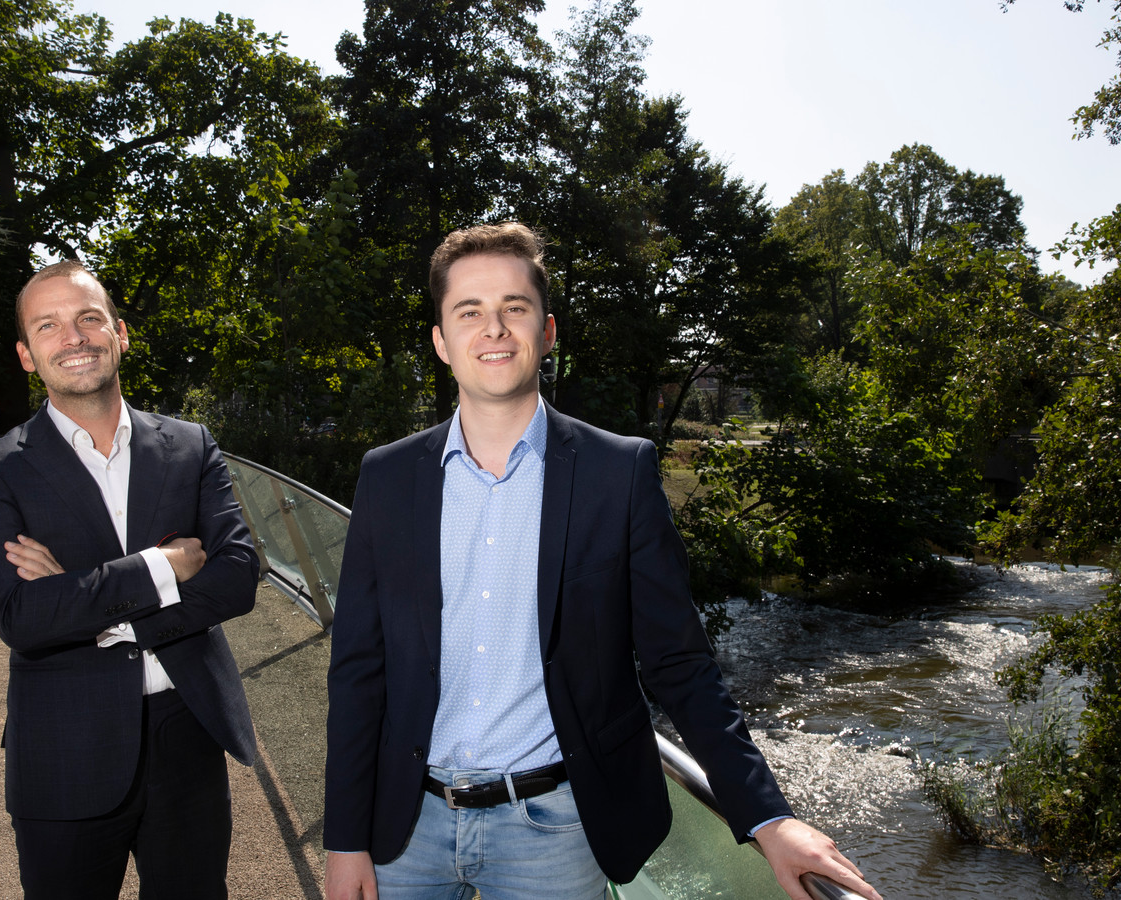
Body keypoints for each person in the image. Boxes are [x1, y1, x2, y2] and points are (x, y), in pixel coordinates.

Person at [323, 223, 882, 900]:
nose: (493, 328)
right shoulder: (386, 478)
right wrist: (344, 839)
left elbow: (679, 664)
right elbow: (358, 673)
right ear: (441, 341)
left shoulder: (618, 474)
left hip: (554, 835)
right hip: (403, 828)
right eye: (469, 312)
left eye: (514, 308)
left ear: (547, 332)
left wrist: (769, 817)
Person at [0, 260, 258, 899]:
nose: (74, 337)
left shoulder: (190, 445)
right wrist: (161, 568)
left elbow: (236, 578)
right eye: (48, 326)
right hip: (65, 746)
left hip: (188, 734)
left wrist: (86, 602)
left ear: (119, 334)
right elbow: (22, 618)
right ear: (27, 356)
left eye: (89, 318)